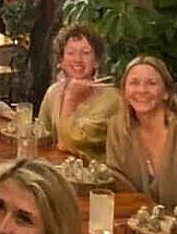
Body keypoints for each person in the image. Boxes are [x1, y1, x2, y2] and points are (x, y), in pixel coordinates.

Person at [105, 56, 177, 208]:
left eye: (151, 83)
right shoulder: (118, 127)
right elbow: (117, 182)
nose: (142, 90)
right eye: (134, 83)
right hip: (135, 221)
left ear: (166, 93)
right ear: (124, 91)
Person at [37, 23, 119, 160]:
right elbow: (41, 137)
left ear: (96, 62)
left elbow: (66, 144)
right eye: (71, 53)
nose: (78, 59)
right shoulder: (53, 92)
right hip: (59, 170)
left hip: (95, 177)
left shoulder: (111, 99)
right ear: (61, 61)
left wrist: (70, 99)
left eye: (86, 53)